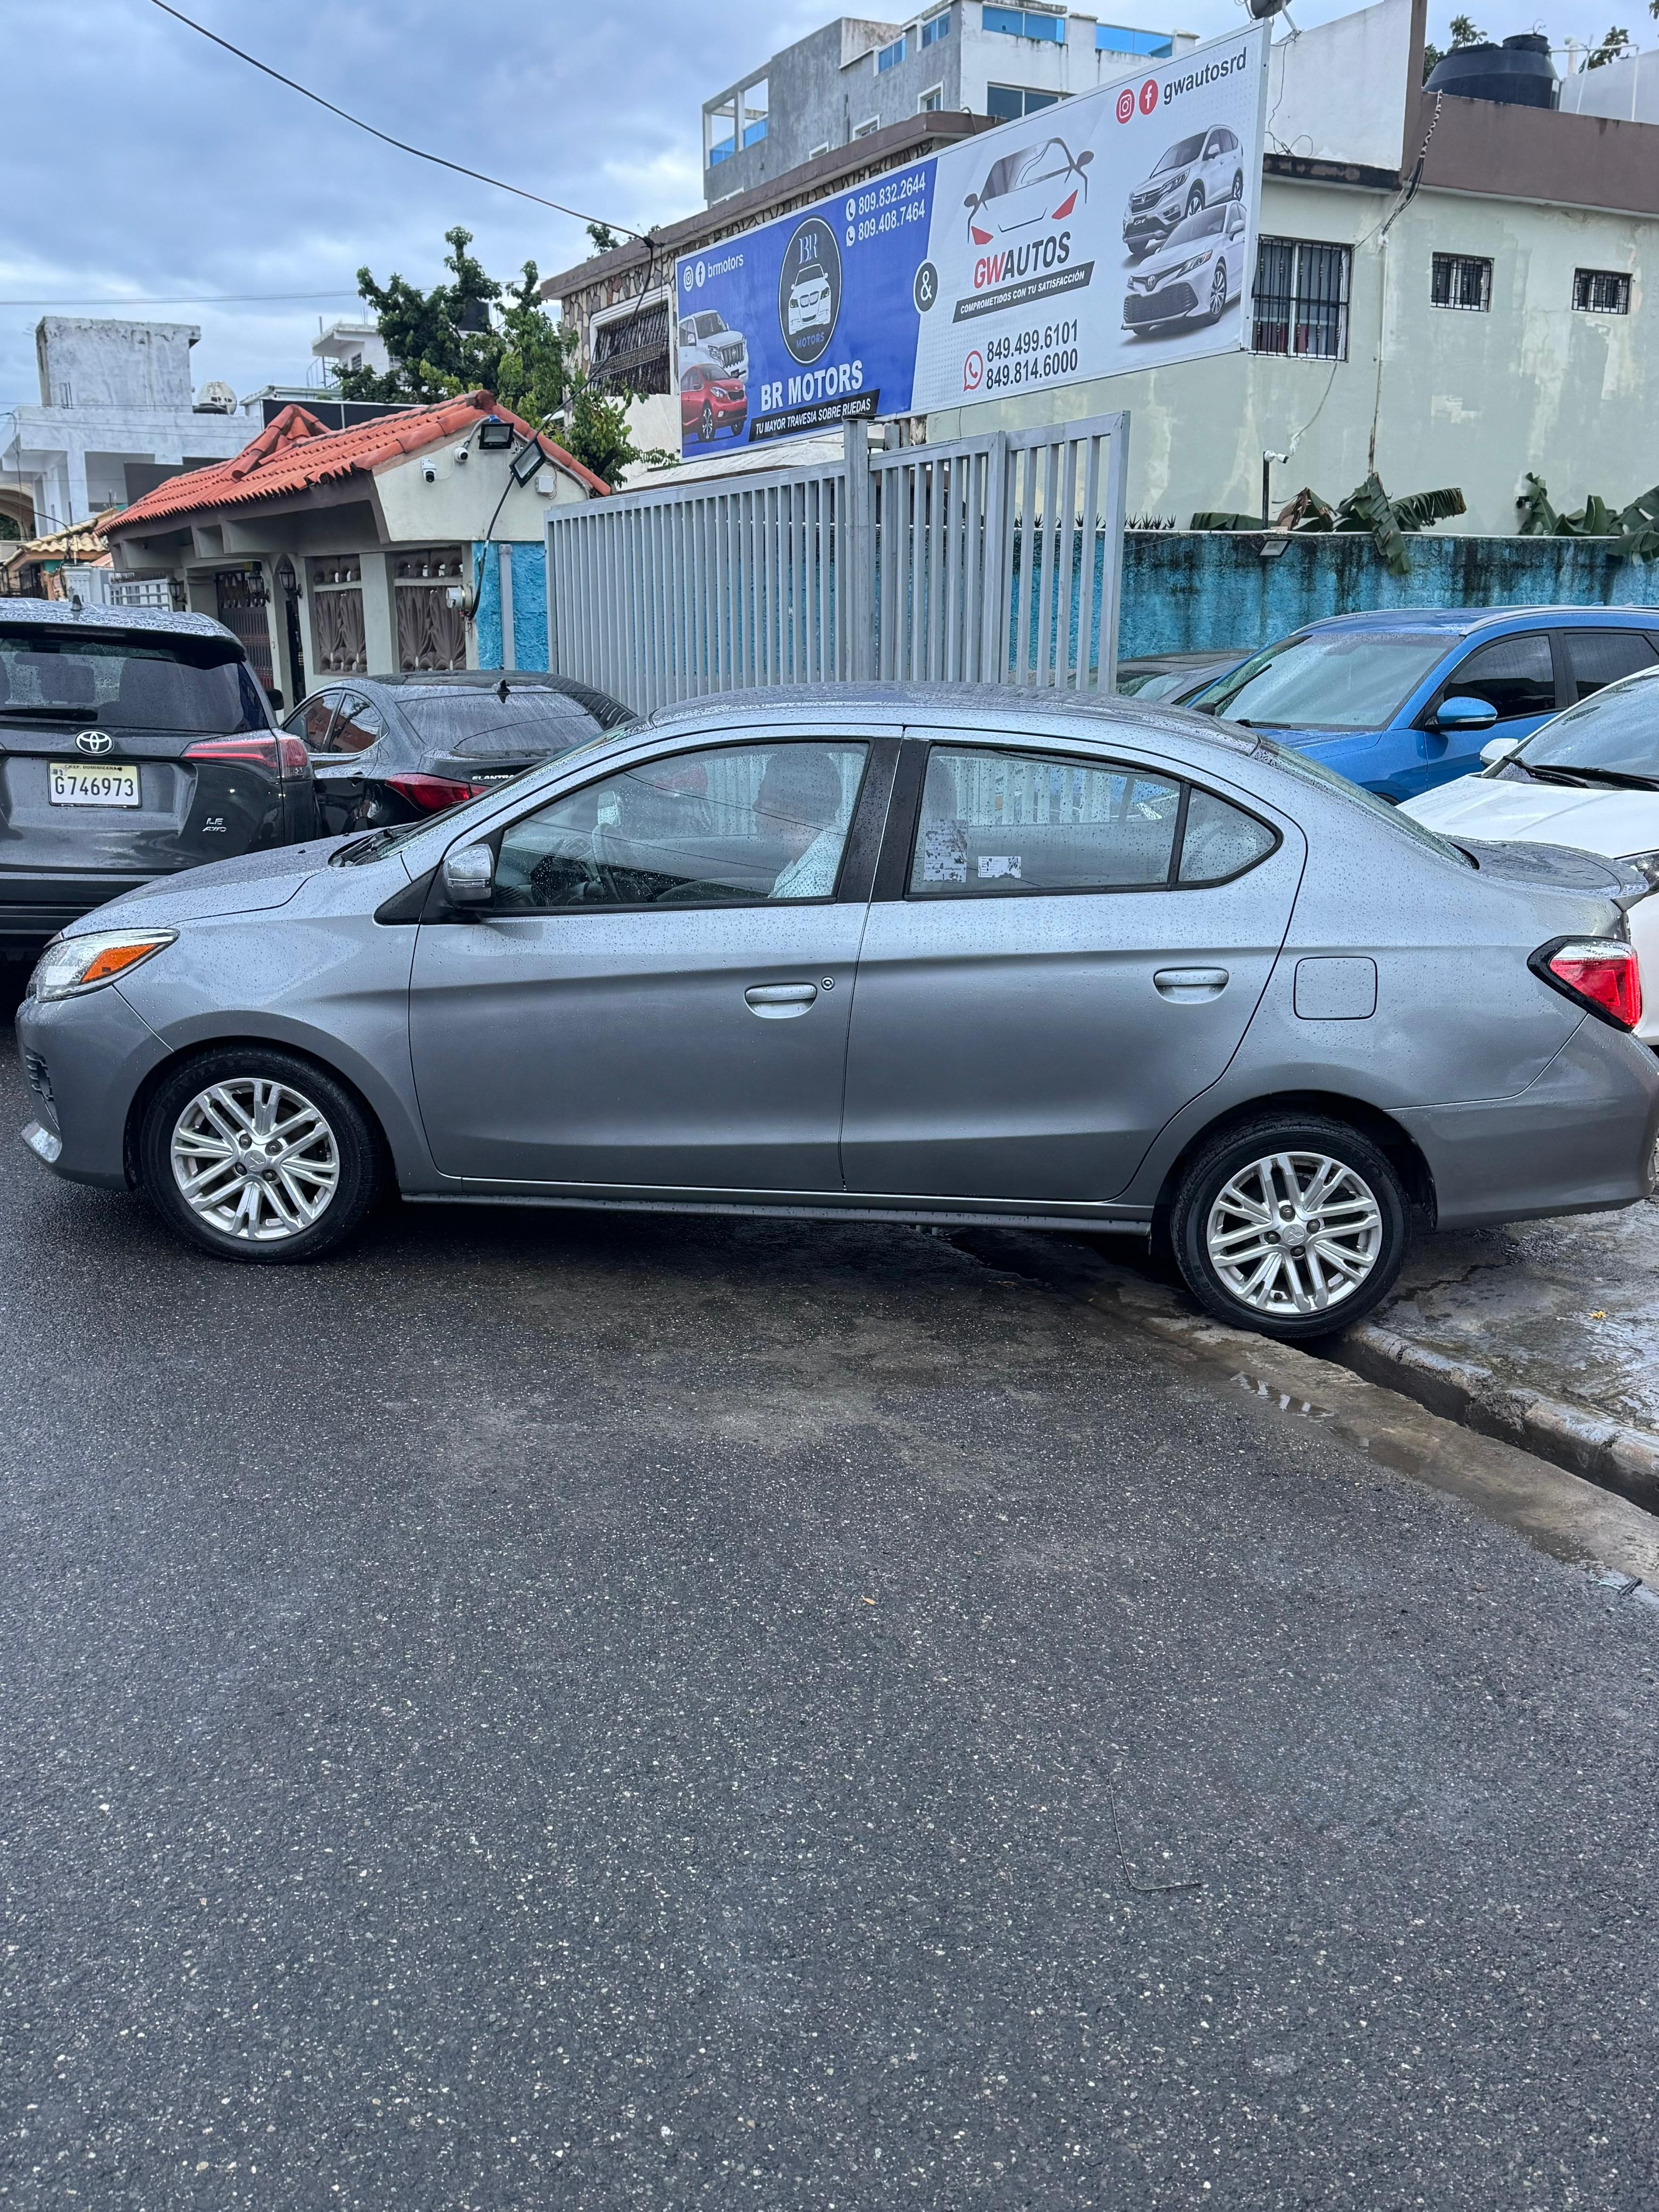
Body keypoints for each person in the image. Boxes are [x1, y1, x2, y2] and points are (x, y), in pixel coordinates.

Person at [756, 748, 847, 899]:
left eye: (762, 798)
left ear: (793, 811)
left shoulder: (814, 884)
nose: (755, 806)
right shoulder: (813, 854)